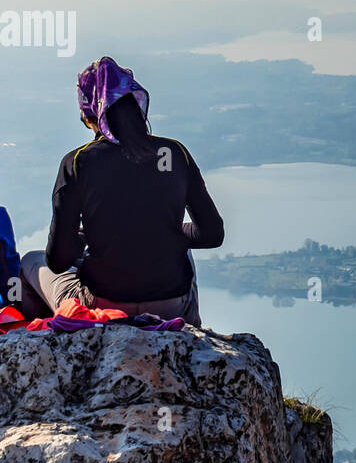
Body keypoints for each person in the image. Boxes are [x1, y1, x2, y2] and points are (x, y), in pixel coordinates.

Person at [21, 57, 224, 325]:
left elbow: (58, 260)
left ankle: (52, 338)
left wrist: (85, 238)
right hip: (170, 305)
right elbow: (211, 234)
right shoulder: (173, 152)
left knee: (31, 261)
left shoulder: (78, 162)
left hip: (104, 305)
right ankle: (189, 331)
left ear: (90, 114)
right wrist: (168, 232)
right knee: (182, 251)